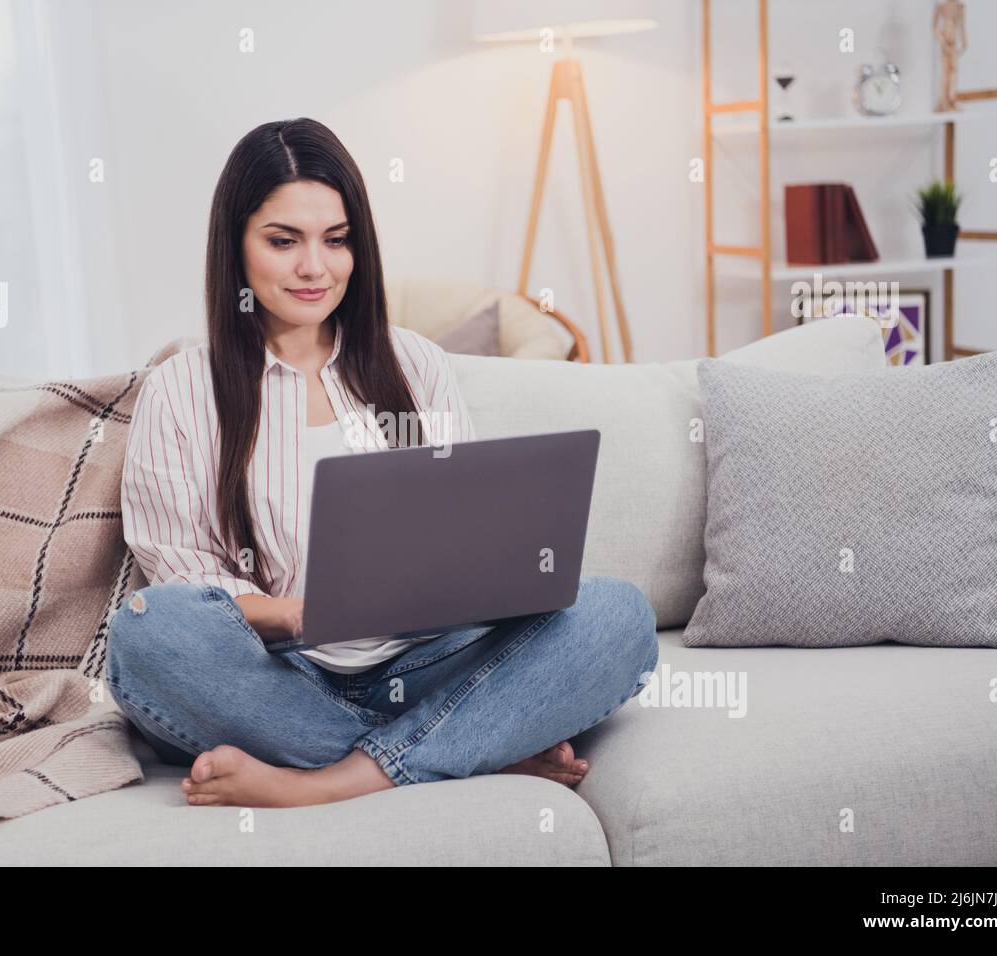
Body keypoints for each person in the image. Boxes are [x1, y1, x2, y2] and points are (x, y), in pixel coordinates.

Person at [107, 117, 658, 808]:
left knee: (620, 616)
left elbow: (466, 528)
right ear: (236, 248)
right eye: (284, 241)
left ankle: (328, 781)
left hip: (429, 660)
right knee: (145, 629)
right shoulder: (182, 389)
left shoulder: (414, 363)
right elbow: (187, 583)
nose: (316, 268)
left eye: (336, 241)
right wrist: (293, 616)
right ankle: (472, 744)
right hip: (281, 676)